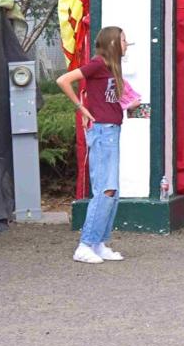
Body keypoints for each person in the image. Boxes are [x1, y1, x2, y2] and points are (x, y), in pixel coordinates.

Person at [57, 26, 141, 264]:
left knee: (111, 191)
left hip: (111, 130)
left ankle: (98, 242)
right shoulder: (97, 64)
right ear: (113, 43)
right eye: (124, 41)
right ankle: (85, 244)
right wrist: (80, 107)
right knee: (105, 189)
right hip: (103, 131)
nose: (126, 45)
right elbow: (64, 80)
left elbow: (105, 98)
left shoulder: (111, 68)